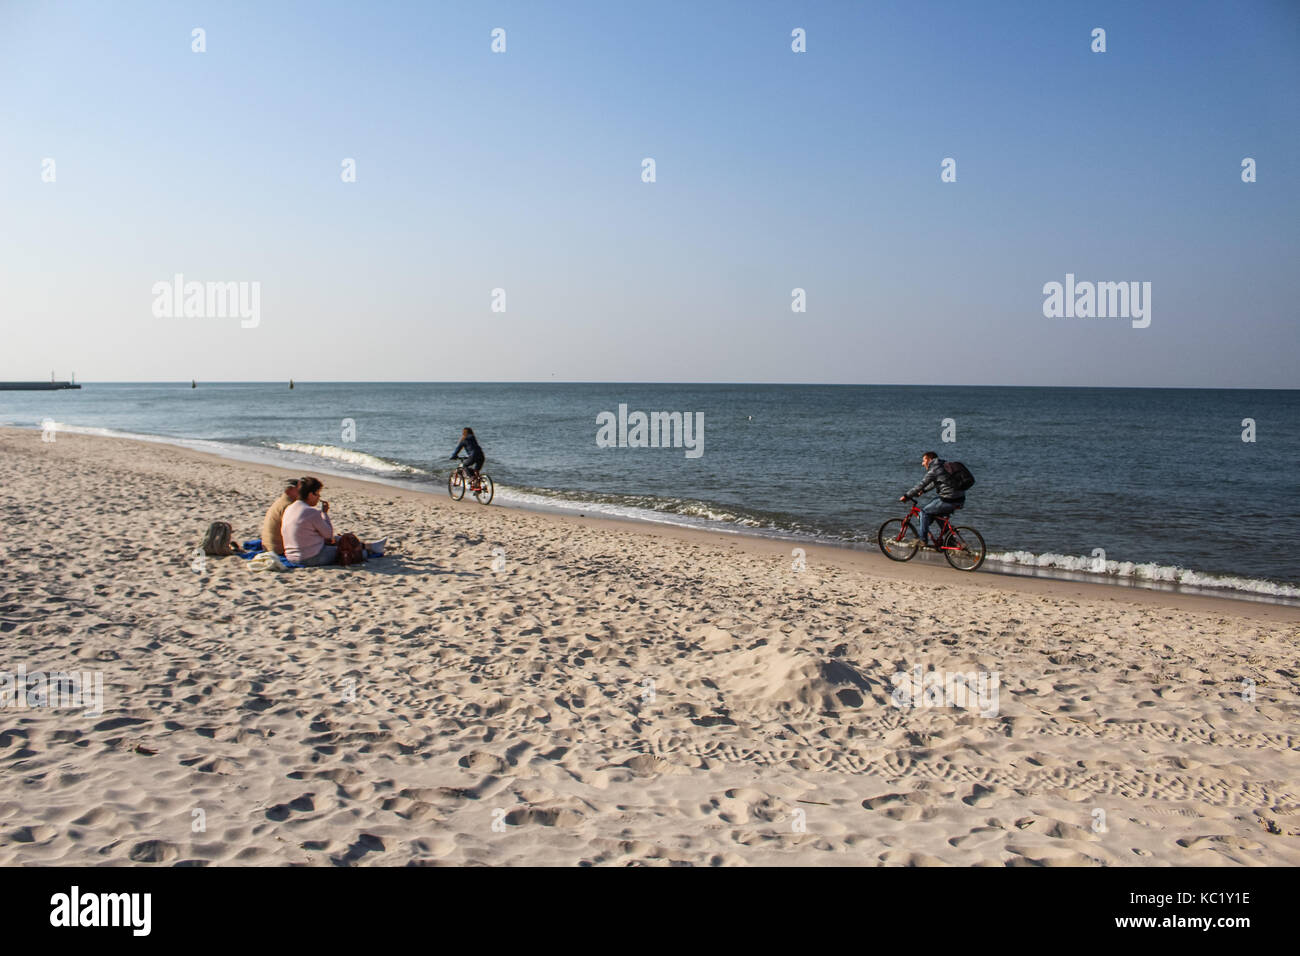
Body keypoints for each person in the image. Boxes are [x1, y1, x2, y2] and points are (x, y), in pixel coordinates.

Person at [899, 451, 967, 549]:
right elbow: (936, 482)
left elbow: (921, 484)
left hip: (949, 499)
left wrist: (906, 495)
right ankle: (950, 540)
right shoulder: (943, 465)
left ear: (929, 459)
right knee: (937, 513)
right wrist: (924, 491)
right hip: (959, 498)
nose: (922, 463)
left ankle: (923, 540)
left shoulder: (934, 469)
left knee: (924, 512)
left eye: (924, 460)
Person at [282, 476, 338, 566]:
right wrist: (324, 514)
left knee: (340, 540)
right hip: (310, 557)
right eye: (318, 494)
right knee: (349, 549)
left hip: (290, 556)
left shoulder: (289, 508)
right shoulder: (311, 512)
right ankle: (367, 549)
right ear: (311, 494)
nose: (319, 497)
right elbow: (329, 535)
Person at [260, 478, 300, 556]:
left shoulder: (280, 502)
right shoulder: (289, 506)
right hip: (278, 550)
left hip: (268, 546)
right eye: (300, 490)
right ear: (289, 490)